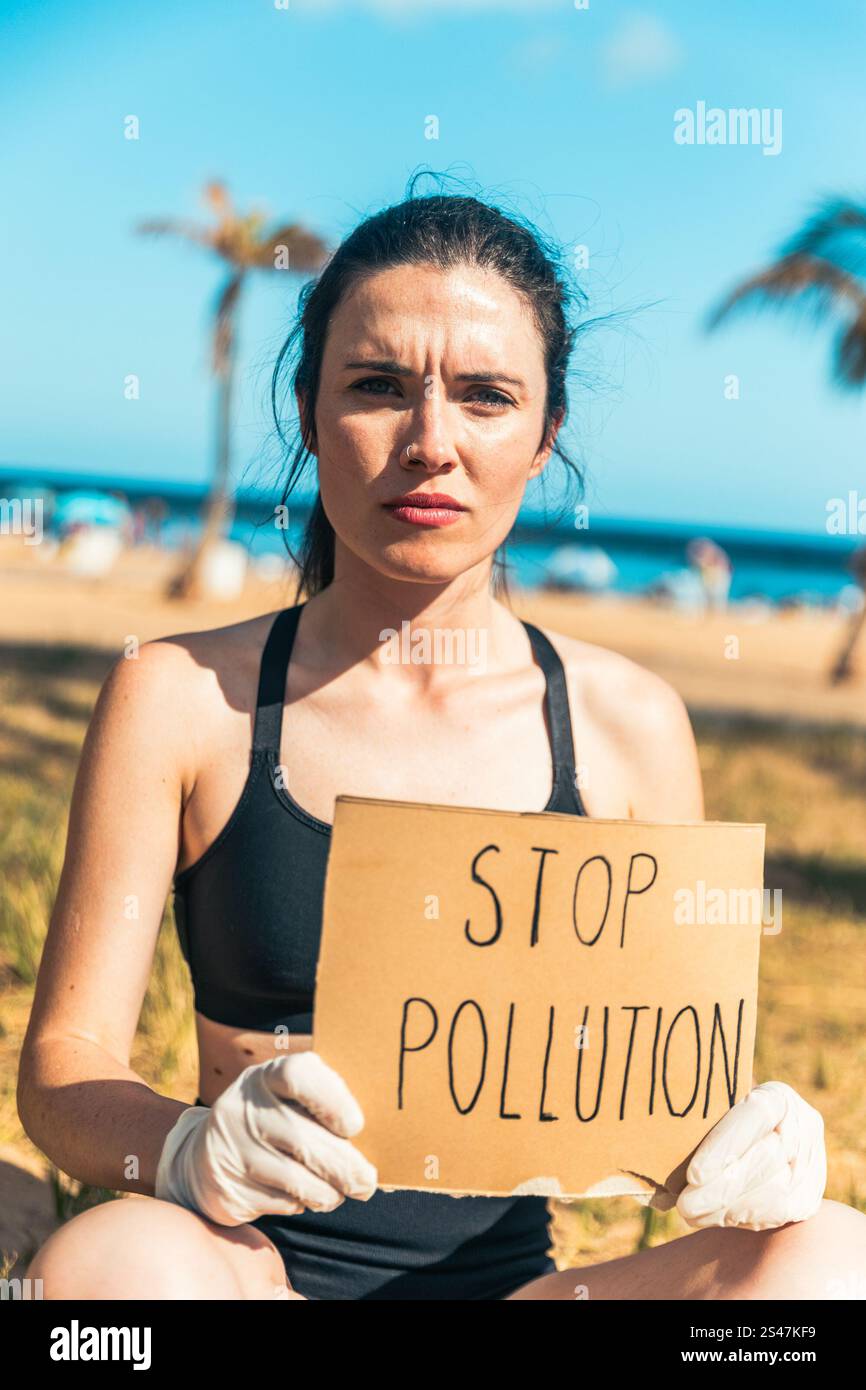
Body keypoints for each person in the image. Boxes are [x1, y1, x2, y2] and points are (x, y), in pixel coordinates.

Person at [18, 184, 866, 1301]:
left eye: (485, 396)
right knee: (108, 1269)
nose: (430, 443)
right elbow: (63, 1070)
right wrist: (182, 1145)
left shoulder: (625, 724)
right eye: (376, 387)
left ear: (544, 431)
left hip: (519, 1294)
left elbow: (671, 1095)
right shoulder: (180, 695)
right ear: (309, 409)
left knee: (835, 1259)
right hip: (247, 1276)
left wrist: (752, 1145)